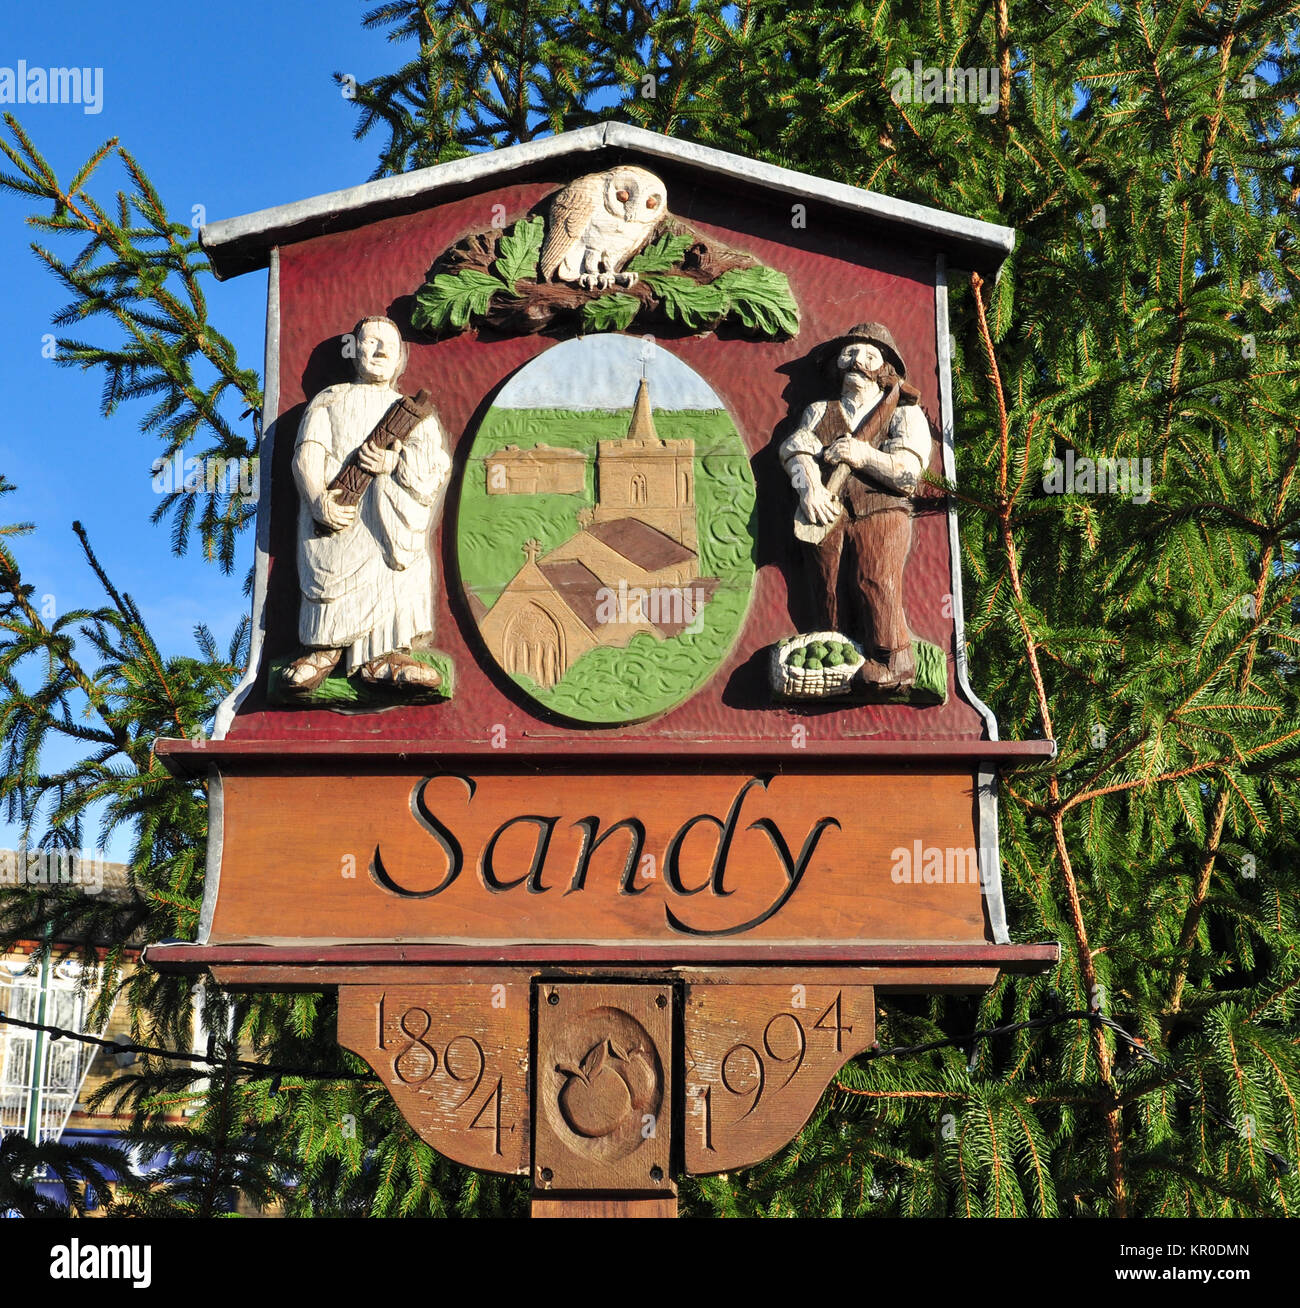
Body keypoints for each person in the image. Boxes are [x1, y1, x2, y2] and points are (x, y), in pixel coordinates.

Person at [282, 316, 450, 695]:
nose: (381, 350)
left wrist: (396, 464)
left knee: (401, 563)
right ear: (353, 349)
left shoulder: (409, 413)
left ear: (400, 358)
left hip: (388, 520)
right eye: (371, 341)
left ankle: (385, 656)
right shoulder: (331, 399)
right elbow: (307, 456)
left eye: (390, 344)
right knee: (330, 568)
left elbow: (435, 465)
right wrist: (318, 500)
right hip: (339, 515)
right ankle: (322, 651)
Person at [779, 322, 932, 691]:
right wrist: (809, 488)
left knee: (874, 580)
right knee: (827, 585)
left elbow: (908, 475)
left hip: (881, 511)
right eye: (848, 353)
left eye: (869, 355)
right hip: (828, 512)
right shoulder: (819, 410)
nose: (856, 361)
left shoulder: (903, 412)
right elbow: (794, 450)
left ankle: (894, 662)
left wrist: (863, 455)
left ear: (886, 370)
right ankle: (837, 658)